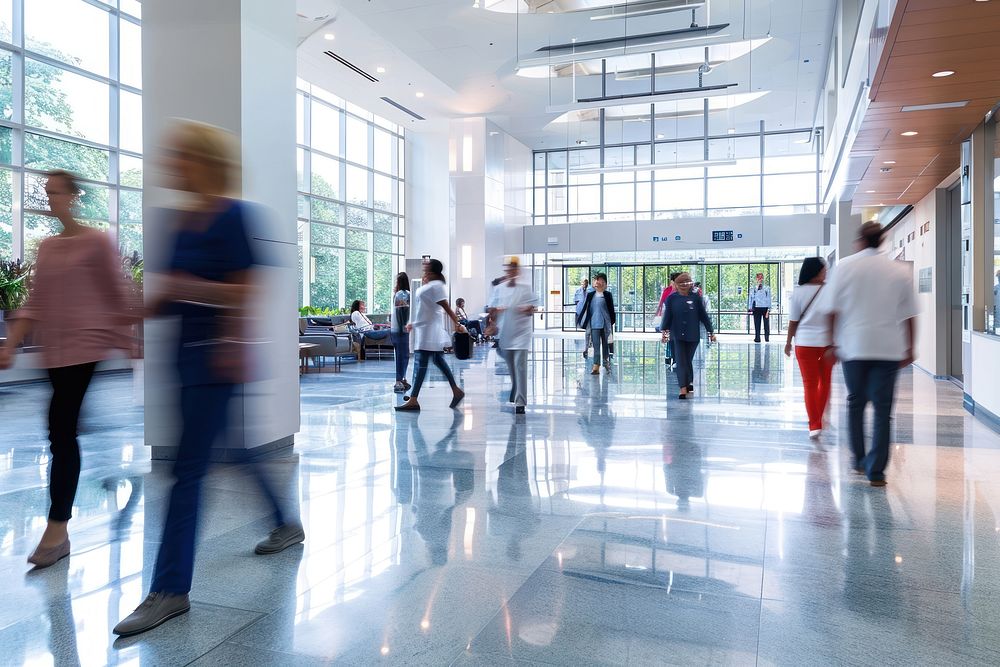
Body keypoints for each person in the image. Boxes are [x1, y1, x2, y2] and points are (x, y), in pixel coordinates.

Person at [114, 121, 304, 637]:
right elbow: (169, 293)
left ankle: (170, 589)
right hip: (183, 361)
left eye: (181, 156)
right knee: (229, 454)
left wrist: (193, 292)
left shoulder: (236, 217)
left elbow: (246, 292)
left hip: (219, 359)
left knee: (188, 473)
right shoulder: (180, 222)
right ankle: (285, 522)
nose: (172, 164)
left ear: (206, 161)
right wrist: (135, 317)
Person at [0, 170, 135, 569]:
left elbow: (117, 294)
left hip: (84, 347)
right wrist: (11, 343)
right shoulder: (47, 247)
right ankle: (59, 527)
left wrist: (130, 341)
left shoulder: (97, 242)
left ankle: (57, 530)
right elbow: (37, 301)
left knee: (60, 429)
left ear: (74, 197)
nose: (51, 199)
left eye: (57, 192)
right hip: (53, 352)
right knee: (61, 427)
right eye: (47, 193)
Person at [820, 221, 918, 487]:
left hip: (854, 347)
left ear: (860, 241)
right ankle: (877, 471)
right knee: (883, 410)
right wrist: (911, 346)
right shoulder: (898, 271)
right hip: (888, 349)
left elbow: (831, 309)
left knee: (856, 402)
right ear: (883, 240)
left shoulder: (845, 267)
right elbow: (910, 314)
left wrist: (832, 343)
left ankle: (858, 460)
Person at [395, 259, 466, 411]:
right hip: (425, 330)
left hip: (430, 331)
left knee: (422, 364)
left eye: (426, 267)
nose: (424, 269)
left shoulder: (437, 286)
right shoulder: (431, 285)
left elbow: (446, 307)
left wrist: (457, 323)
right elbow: (425, 309)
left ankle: (414, 399)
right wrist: (415, 324)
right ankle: (455, 390)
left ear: (433, 270)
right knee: (437, 361)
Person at [784, 258, 833, 439]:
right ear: (815, 272)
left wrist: (788, 342)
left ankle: (814, 424)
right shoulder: (829, 291)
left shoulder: (798, 293)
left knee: (810, 385)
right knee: (825, 382)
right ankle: (818, 418)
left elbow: (793, 322)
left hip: (804, 344)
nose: (826, 273)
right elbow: (835, 317)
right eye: (823, 270)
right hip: (827, 343)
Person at [490, 257, 538, 414]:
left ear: (517, 271)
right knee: (511, 367)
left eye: (513, 269)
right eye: (508, 269)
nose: (510, 272)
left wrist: (527, 309)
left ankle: (520, 403)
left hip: (522, 333)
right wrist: (491, 325)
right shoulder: (499, 288)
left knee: (520, 366)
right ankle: (516, 388)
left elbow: (533, 308)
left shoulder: (525, 288)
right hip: (505, 332)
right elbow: (493, 309)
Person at [660, 272, 716, 399]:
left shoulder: (696, 298)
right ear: (677, 285)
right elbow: (667, 317)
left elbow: (703, 316)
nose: (684, 285)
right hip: (677, 335)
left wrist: (710, 332)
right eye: (681, 283)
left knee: (687, 360)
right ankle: (683, 388)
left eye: (687, 282)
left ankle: (689, 381)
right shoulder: (671, 298)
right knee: (680, 361)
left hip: (692, 335)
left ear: (690, 283)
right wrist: (665, 332)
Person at [576, 272, 616, 375]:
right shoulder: (590, 295)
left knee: (606, 345)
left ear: (605, 284)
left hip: (605, 325)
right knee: (596, 346)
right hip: (594, 325)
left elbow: (612, 310)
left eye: (602, 282)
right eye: (598, 281)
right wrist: (581, 320)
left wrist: (612, 322)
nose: (599, 283)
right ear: (594, 283)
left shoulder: (608, 295)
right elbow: (585, 308)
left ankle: (606, 363)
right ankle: (596, 366)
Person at [391, 272, 412, 393]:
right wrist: (403, 327)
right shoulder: (402, 295)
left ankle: (402, 379)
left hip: (398, 329)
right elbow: (401, 312)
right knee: (402, 356)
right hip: (400, 330)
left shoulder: (400, 294)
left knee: (403, 356)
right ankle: (399, 380)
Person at [747, 272, 772, 342]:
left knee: (766, 325)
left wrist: (769, 310)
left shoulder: (767, 288)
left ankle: (767, 338)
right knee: (757, 324)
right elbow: (751, 298)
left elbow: (769, 298)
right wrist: (749, 308)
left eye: (761, 277)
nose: (760, 279)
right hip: (756, 308)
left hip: (765, 308)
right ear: (756, 279)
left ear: (763, 278)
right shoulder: (753, 288)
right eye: (759, 277)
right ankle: (757, 338)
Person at [573, 278, 591, 359]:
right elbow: (576, 301)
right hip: (581, 311)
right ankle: (587, 348)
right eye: (584, 283)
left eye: (586, 283)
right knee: (587, 331)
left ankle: (587, 348)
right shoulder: (578, 291)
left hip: (588, 312)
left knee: (588, 331)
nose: (585, 284)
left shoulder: (590, 290)